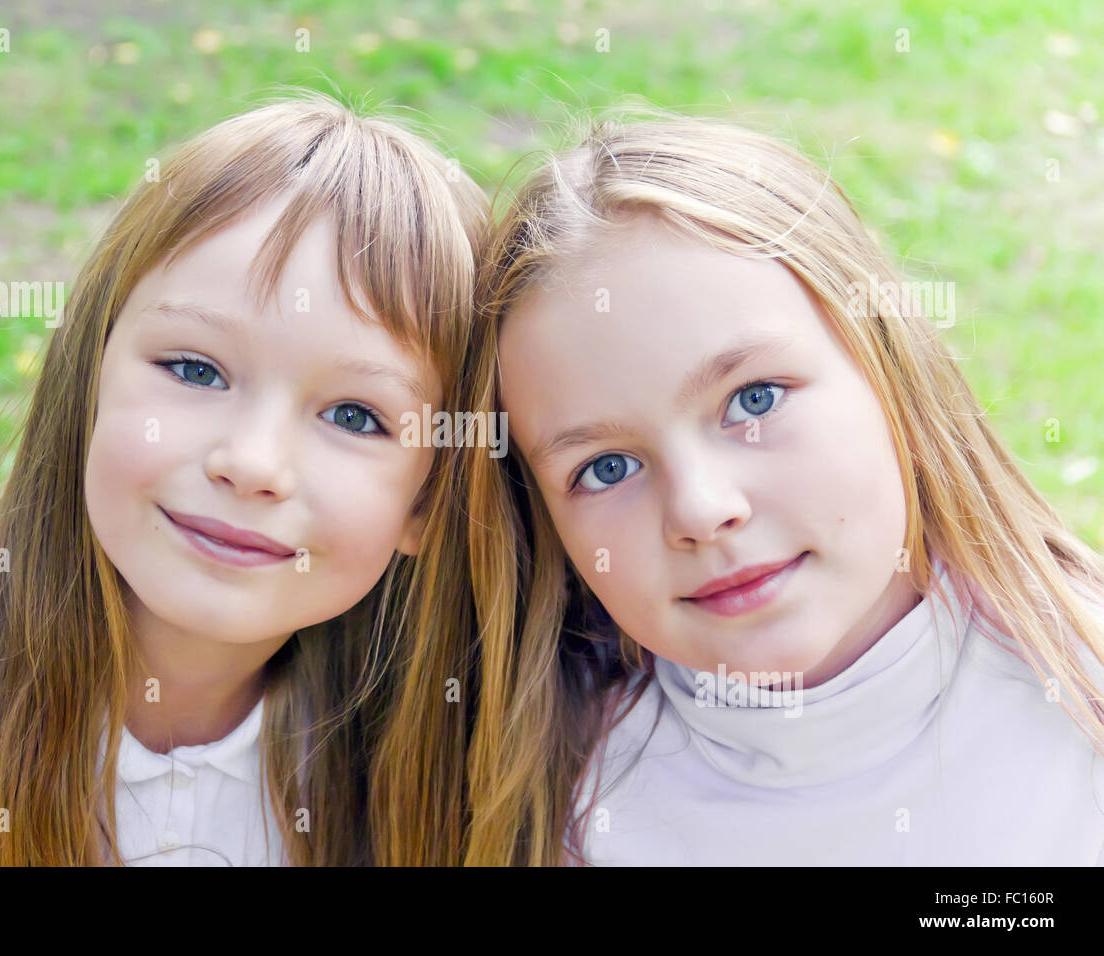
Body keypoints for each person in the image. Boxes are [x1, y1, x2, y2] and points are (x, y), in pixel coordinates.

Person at [0, 93, 486, 866]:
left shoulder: (464, 754)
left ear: (430, 500)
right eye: (195, 369)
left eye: (356, 417)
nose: (253, 462)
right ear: (87, 376)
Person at [461, 111, 1104, 865]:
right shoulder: (545, 805)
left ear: (889, 370)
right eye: (607, 468)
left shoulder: (1080, 693)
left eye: (754, 400)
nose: (702, 510)